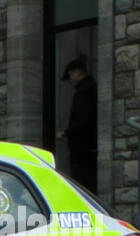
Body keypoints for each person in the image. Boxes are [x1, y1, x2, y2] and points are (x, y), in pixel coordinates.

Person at [56, 57, 97, 192]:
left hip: (82, 147)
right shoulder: (90, 88)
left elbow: (83, 119)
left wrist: (66, 133)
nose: (70, 80)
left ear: (77, 73)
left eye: (70, 75)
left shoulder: (83, 92)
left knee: (82, 184)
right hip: (89, 145)